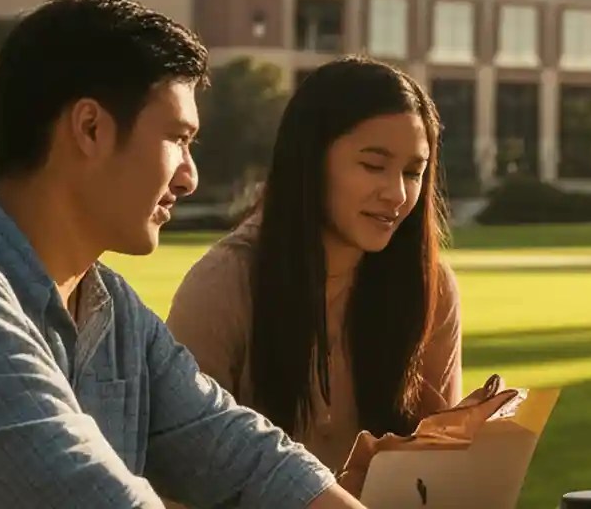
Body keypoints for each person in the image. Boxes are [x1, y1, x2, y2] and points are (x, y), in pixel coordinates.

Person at [0, 0, 364, 508]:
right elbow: (81, 492)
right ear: (90, 129)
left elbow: (243, 455)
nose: (190, 177)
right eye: (178, 138)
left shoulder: (114, 312)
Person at [167, 56, 461, 474]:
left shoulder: (430, 287)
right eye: (373, 165)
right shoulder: (224, 285)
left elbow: (441, 473)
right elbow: (180, 470)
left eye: (414, 172)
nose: (397, 194)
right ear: (310, 159)